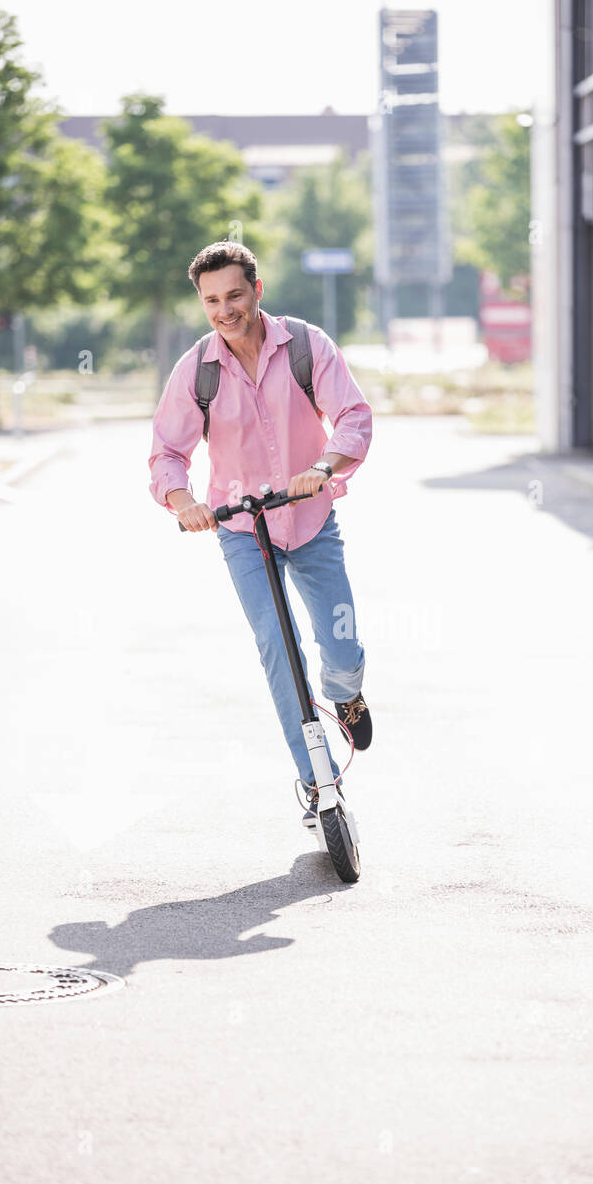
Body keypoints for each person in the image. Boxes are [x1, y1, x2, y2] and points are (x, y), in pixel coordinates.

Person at [148, 241, 372, 826]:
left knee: (341, 645)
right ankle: (317, 781)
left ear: (257, 291)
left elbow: (352, 417)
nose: (225, 310)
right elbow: (168, 452)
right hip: (243, 529)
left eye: (235, 295)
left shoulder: (305, 345)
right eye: (212, 300)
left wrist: (322, 468)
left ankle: (346, 694)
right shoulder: (196, 369)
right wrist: (184, 501)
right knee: (278, 648)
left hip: (311, 518)